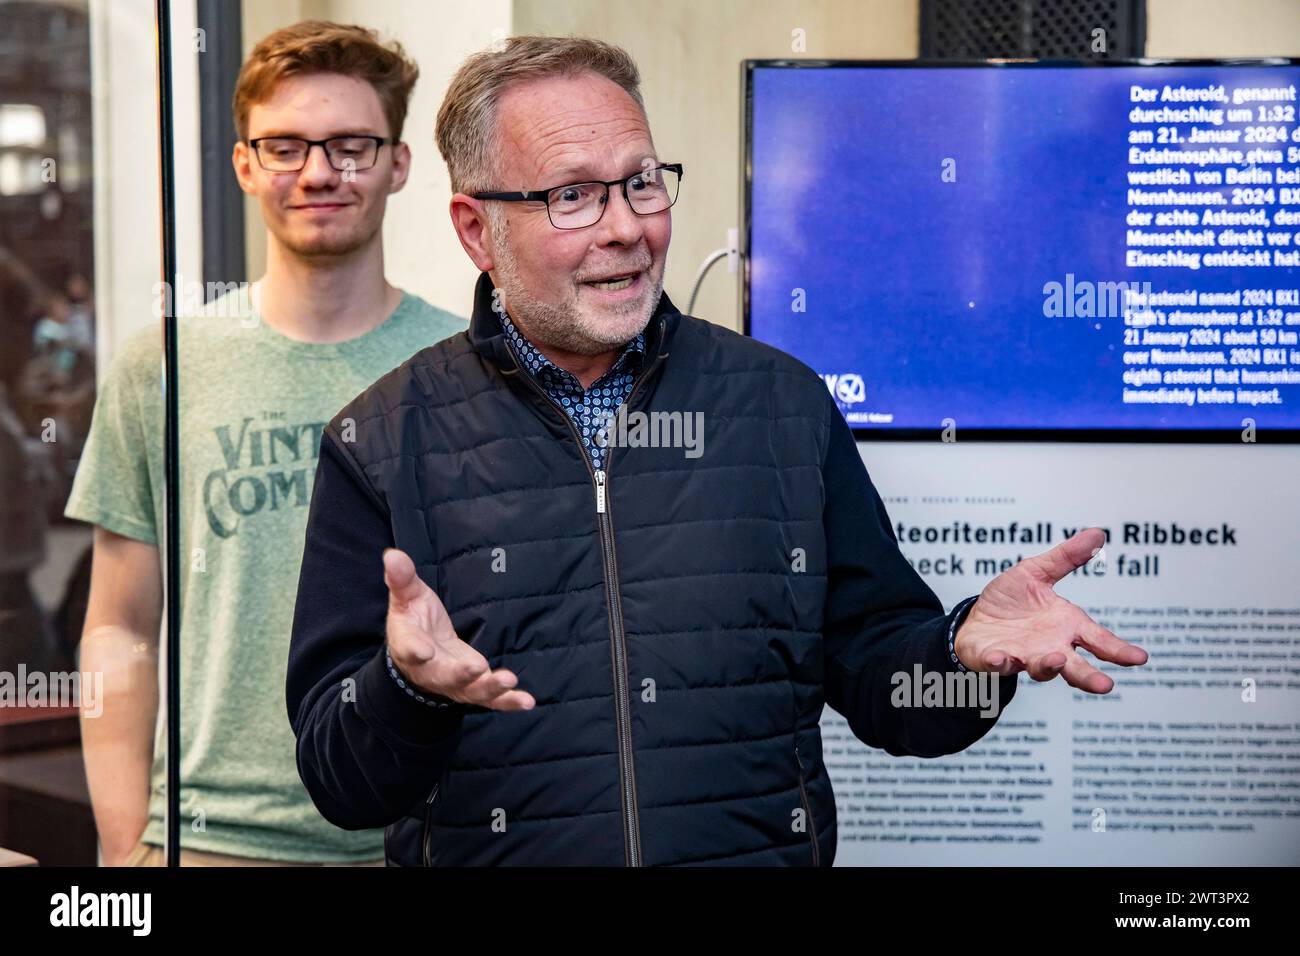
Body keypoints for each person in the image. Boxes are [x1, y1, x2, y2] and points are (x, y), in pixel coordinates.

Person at [287, 35, 1149, 866]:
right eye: (574, 196)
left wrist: (962, 653)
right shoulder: (383, 439)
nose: (625, 227)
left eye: (641, 184)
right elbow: (340, 784)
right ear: (477, 231)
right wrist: (407, 693)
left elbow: (894, 695)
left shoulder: (781, 406)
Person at [64, 20, 464, 866]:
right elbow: (120, 628)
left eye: (353, 146)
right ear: (245, 164)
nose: (319, 172)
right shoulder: (163, 367)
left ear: (398, 164)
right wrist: (119, 845)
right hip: (211, 844)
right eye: (284, 146)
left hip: (421, 835)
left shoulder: (464, 370)